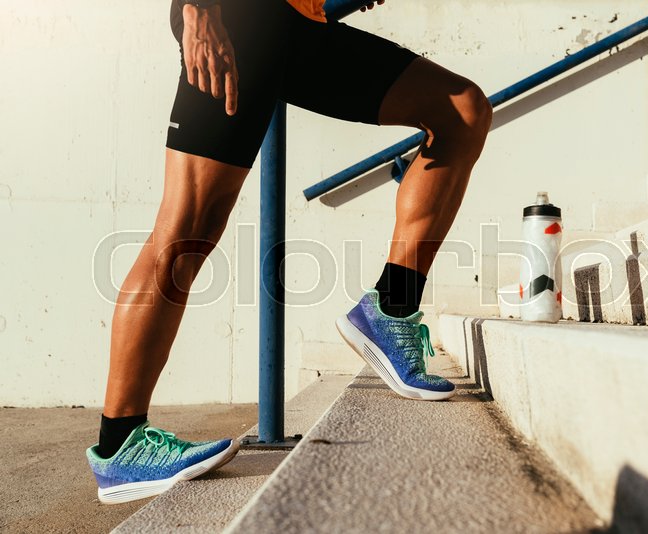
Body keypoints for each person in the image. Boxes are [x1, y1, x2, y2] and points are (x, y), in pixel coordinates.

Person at [86, 0, 492, 504]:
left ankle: (392, 307)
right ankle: (119, 441)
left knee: (462, 110)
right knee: (185, 232)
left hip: (293, 26)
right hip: (235, 19)